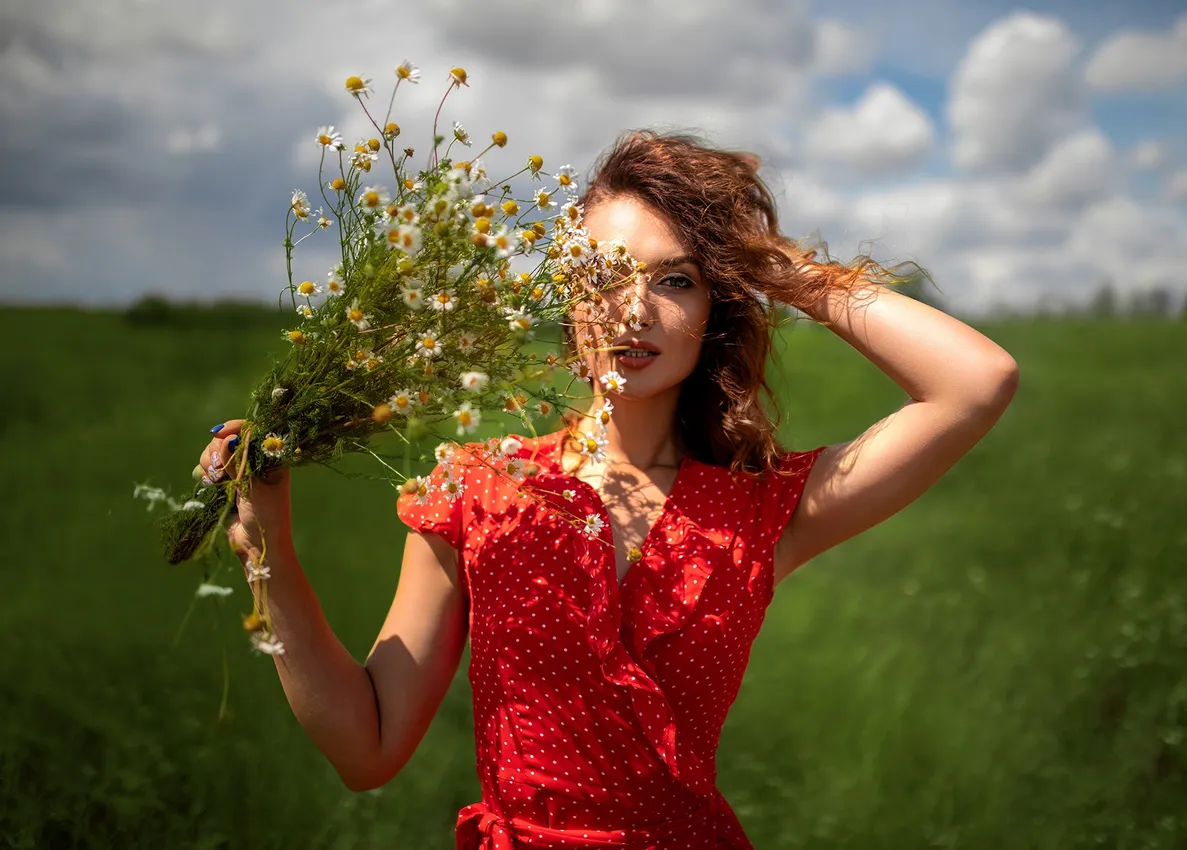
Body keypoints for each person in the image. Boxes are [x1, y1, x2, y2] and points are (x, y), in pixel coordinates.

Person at [199, 129, 1019, 849]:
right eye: (605, 274)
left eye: (676, 281)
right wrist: (269, 551)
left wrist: (772, 263)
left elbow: (976, 382)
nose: (633, 311)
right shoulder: (478, 489)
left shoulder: (764, 512)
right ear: (566, 294)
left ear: (717, 306)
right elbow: (366, 748)